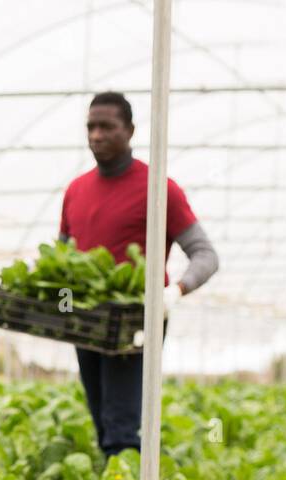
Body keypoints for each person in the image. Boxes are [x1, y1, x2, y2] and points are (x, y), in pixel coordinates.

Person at [60, 91, 219, 456]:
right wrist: (61, 303)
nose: (96, 135)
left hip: (135, 319)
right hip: (85, 320)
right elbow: (63, 255)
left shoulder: (158, 187)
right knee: (100, 417)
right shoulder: (75, 190)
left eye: (107, 127)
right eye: (91, 127)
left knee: (121, 422)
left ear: (130, 130)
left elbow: (205, 254)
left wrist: (175, 291)